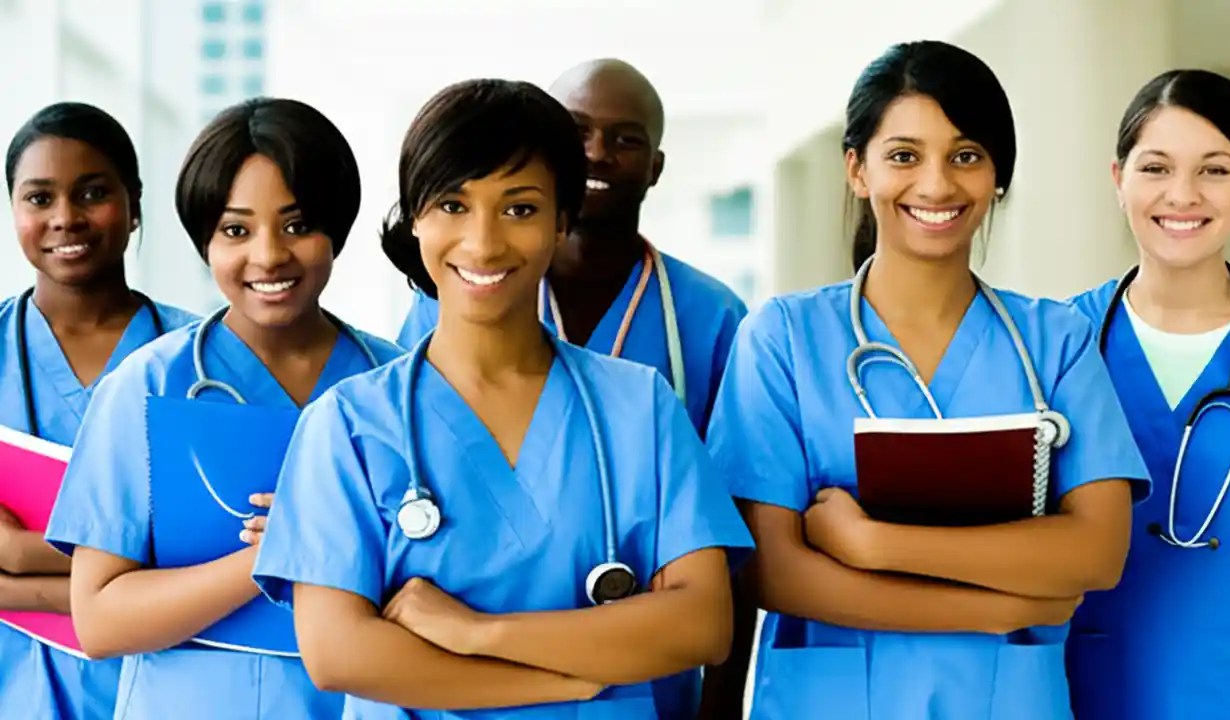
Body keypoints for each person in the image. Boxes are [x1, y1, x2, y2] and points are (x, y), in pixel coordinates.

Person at [252, 78, 753, 720]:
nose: (484, 242)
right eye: (453, 205)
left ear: (562, 221)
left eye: (520, 209)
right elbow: (339, 654)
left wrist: (475, 633)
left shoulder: (639, 407)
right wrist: (564, 681)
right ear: (415, 217)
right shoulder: (347, 425)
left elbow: (702, 624)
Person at [705, 40, 1151, 719]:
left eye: (966, 156)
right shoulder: (782, 339)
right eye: (904, 156)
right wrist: (1000, 608)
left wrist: (871, 544)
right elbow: (769, 568)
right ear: (857, 170)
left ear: (998, 175)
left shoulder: (1055, 341)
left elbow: (1097, 551)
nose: (937, 185)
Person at [42, 98, 401, 720]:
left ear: (336, 229)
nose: (269, 255)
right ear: (205, 240)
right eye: (236, 231)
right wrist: (273, 555)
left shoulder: (396, 389)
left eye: (297, 225)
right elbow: (98, 620)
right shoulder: (148, 386)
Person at [1066, 70, 1230, 720]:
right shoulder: (1061, 344)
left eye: (1214, 170)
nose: (1183, 195)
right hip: (1088, 695)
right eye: (1156, 168)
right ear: (1118, 179)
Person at [395, 59, 747, 439]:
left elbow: (739, 461)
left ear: (655, 168)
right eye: (578, 133)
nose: (596, 153)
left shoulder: (712, 314)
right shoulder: (458, 293)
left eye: (626, 140)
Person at [0, 102, 195, 720]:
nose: (65, 217)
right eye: (39, 198)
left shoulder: (203, 357)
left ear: (134, 205)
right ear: (13, 210)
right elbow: (179, 554)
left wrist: (19, 561)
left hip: (170, 681)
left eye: (92, 193)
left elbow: (221, 548)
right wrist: (130, 571)